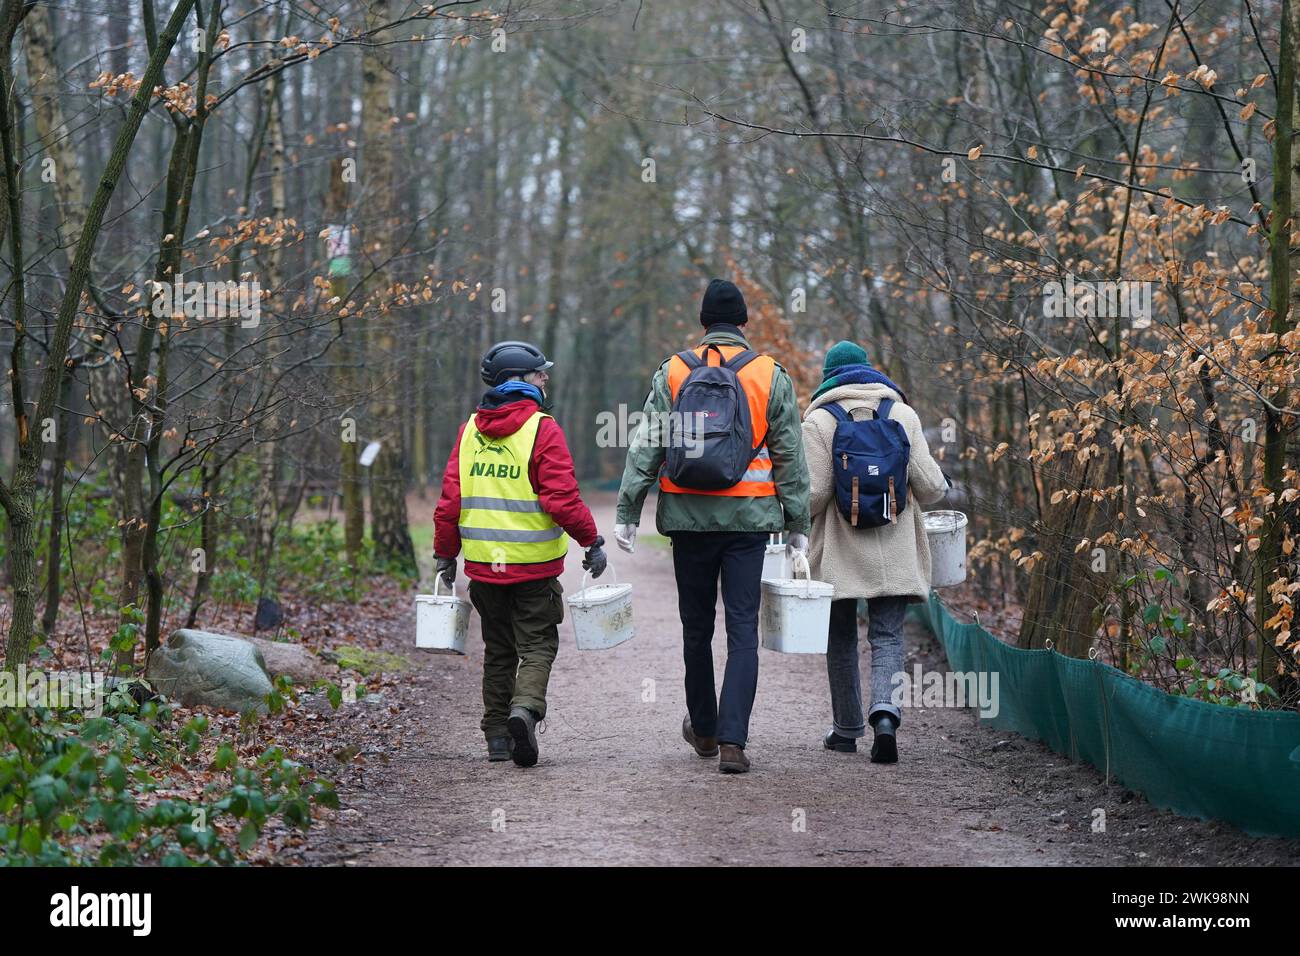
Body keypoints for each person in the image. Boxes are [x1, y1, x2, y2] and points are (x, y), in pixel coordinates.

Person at [614, 279, 810, 774]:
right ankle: (732, 742)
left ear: (703, 324)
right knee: (743, 629)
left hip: (688, 520)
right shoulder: (770, 374)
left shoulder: (675, 370)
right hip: (749, 524)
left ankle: (702, 729)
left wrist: (627, 512)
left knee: (696, 629)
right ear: (744, 323)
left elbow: (648, 444)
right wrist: (798, 524)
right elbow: (790, 455)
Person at [434, 340, 606, 768]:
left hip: (484, 573)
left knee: (498, 649)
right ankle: (524, 711)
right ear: (520, 380)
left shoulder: (470, 429)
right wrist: (592, 541)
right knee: (538, 645)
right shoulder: (542, 428)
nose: (546, 378)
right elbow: (562, 499)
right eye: (539, 372)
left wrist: (445, 554)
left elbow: (449, 502)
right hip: (534, 570)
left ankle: (496, 737)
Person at [800, 340, 948, 763]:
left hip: (840, 553)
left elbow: (812, 496)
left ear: (829, 378)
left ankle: (846, 730)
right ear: (870, 371)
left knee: (841, 638)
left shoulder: (819, 422)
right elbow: (931, 487)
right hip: (896, 549)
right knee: (887, 636)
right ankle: (885, 714)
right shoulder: (902, 414)